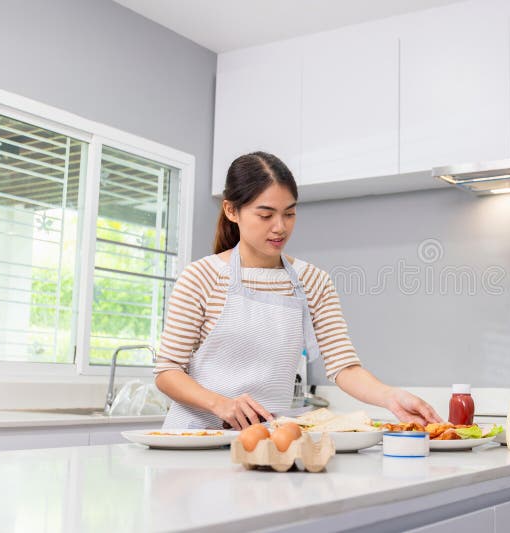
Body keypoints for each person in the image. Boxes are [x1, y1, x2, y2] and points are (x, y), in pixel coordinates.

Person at [155, 151, 441, 430]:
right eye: (265, 215)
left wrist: (391, 396)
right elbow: (167, 370)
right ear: (231, 210)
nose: (280, 227)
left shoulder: (314, 281)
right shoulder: (201, 276)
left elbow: (344, 366)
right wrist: (220, 404)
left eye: (289, 213)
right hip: (195, 435)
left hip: (267, 439)